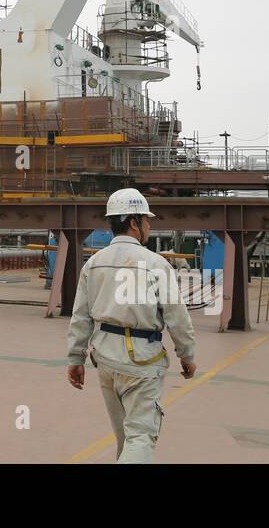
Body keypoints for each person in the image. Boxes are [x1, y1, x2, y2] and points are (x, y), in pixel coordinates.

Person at [66, 187, 197, 463]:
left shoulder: (94, 264)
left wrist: (75, 358)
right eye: (147, 220)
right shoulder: (156, 264)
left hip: (104, 360)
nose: (149, 225)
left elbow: (81, 316)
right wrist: (187, 355)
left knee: (126, 439)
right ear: (134, 223)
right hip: (141, 362)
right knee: (140, 437)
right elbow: (177, 316)